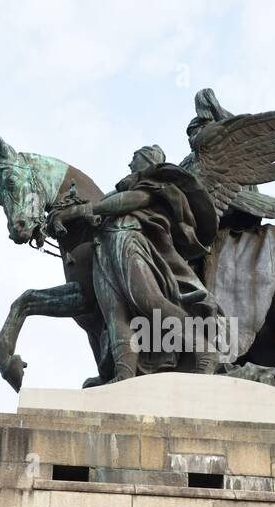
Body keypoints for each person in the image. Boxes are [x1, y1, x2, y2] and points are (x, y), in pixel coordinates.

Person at [51, 145, 226, 381]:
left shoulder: (157, 185)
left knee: (150, 303)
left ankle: (205, 352)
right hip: (105, 246)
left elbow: (130, 201)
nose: (129, 164)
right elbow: (102, 210)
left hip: (130, 242)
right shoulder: (123, 189)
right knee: (115, 315)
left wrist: (82, 210)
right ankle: (124, 374)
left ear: (146, 160)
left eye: (134, 158)